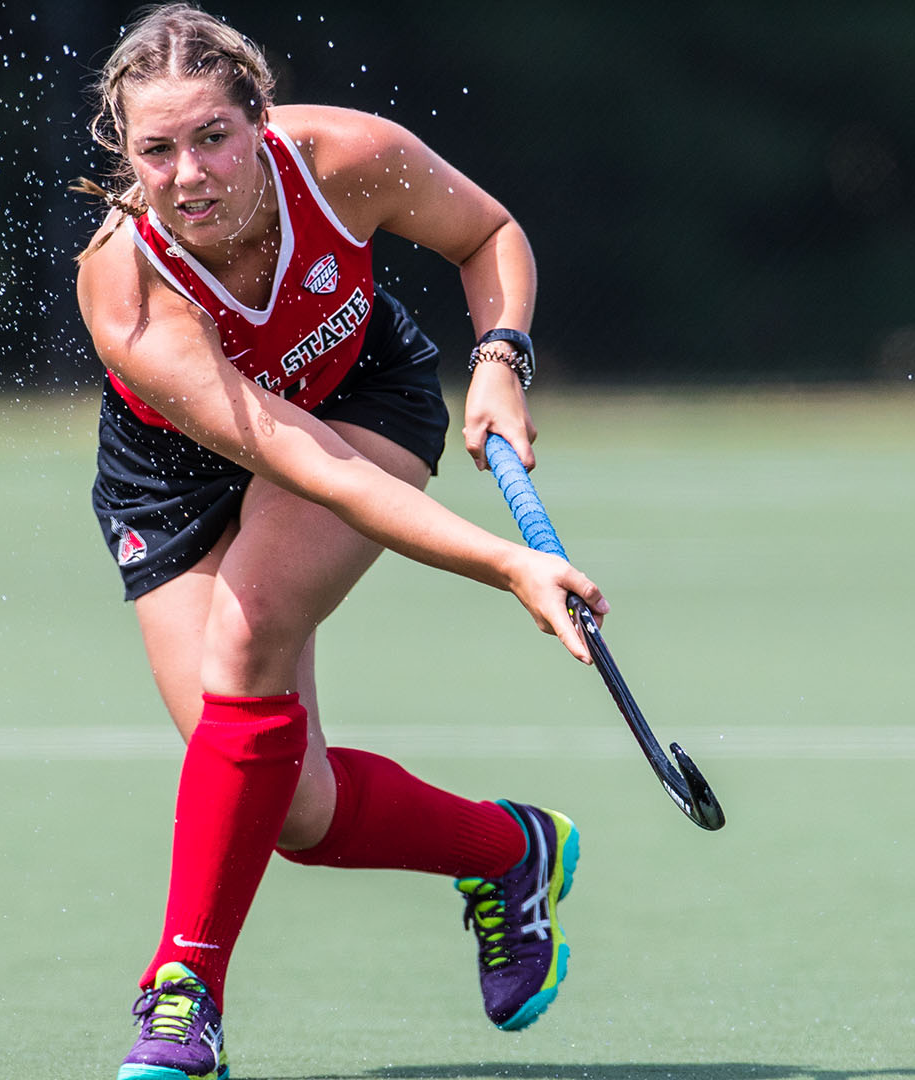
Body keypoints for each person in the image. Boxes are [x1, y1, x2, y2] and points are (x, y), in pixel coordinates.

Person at [72, 6, 609, 1078]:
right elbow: (308, 467)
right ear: (125, 156)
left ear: (259, 119)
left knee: (249, 632)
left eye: (214, 136)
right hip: (180, 475)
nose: (190, 174)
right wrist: (507, 563)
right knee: (296, 810)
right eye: (157, 150)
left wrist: (501, 357)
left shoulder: (351, 159)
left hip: (364, 393)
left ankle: (182, 998)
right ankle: (511, 851)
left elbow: (486, 234)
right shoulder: (125, 287)